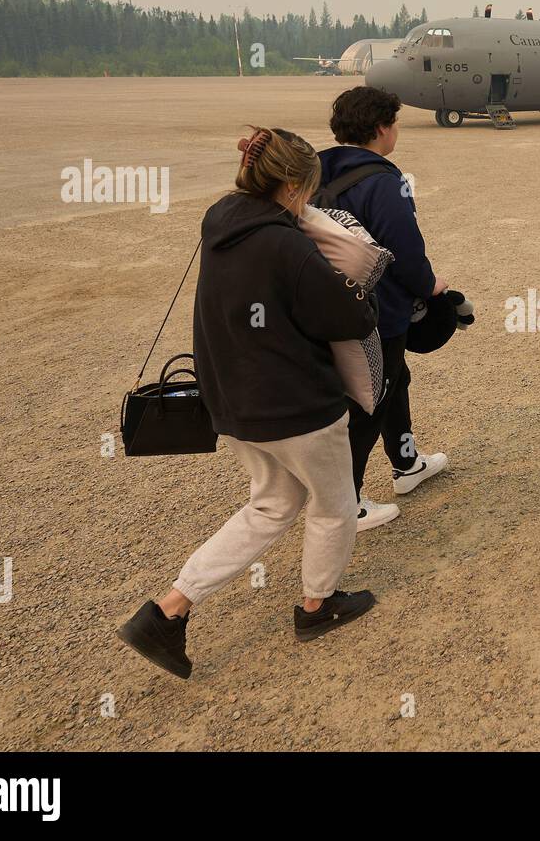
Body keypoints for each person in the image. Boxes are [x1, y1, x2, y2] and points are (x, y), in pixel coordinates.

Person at [117, 127, 378, 680]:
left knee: (272, 504)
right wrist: (358, 281)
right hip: (296, 406)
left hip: (234, 403)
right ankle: (316, 606)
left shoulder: (221, 222)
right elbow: (348, 318)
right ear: (289, 186)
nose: (309, 199)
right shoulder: (286, 245)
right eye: (307, 189)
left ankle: (169, 609)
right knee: (334, 503)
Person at [318, 87, 449, 531]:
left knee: (394, 381)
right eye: (394, 123)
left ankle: (406, 461)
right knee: (368, 401)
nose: (396, 132)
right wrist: (431, 286)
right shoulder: (384, 180)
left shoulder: (317, 170)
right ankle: (346, 504)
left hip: (328, 302)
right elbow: (404, 248)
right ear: (381, 129)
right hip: (377, 311)